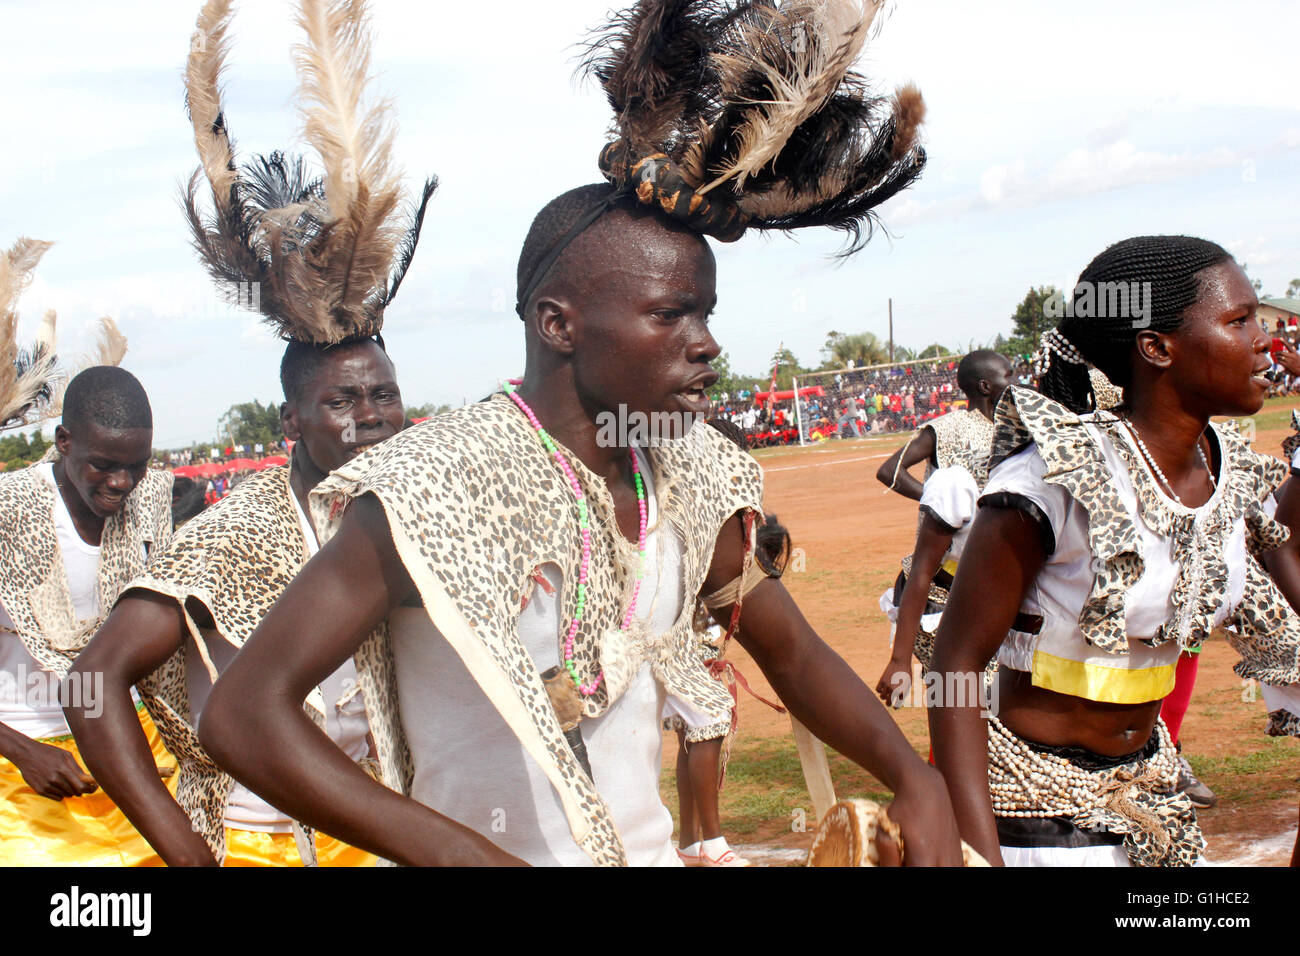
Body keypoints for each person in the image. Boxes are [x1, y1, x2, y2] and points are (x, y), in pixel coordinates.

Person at [197, 0, 963, 866]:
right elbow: (244, 713)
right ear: (558, 324)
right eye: (671, 314)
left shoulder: (683, 473)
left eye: (706, 312)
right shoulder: (432, 488)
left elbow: (791, 652)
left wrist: (910, 772)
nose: (706, 343)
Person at [64, 0, 432, 866]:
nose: (373, 418)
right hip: (265, 845)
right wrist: (185, 852)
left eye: (384, 395)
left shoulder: (414, 511)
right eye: (344, 401)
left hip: (397, 829)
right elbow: (91, 684)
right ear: (290, 420)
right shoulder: (235, 535)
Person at [929, 235, 1300, 866]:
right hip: (1034, 817)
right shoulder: (1054, 479)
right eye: (1238, 321)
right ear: (1157, 348)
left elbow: (1276, 626)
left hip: (1150, 808)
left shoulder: (1230, 477)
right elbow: (954, 666)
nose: (1265, 341)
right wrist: (980, 856)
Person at [0, 353, 175, 865]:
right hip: (28, 758)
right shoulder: (9, 514)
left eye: (136, 466)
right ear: (64, 441)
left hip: (136, 743)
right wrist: (21, 750)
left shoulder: (154, 504)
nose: (121, 483)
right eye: (103, 464)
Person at [875, 350, 1013, 500]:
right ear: (985, 386)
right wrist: (940, 504)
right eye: (1009, 376)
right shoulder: (946, 428)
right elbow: (889, 471)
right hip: (961, 523)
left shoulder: (1011, 427)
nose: (1016, 382)